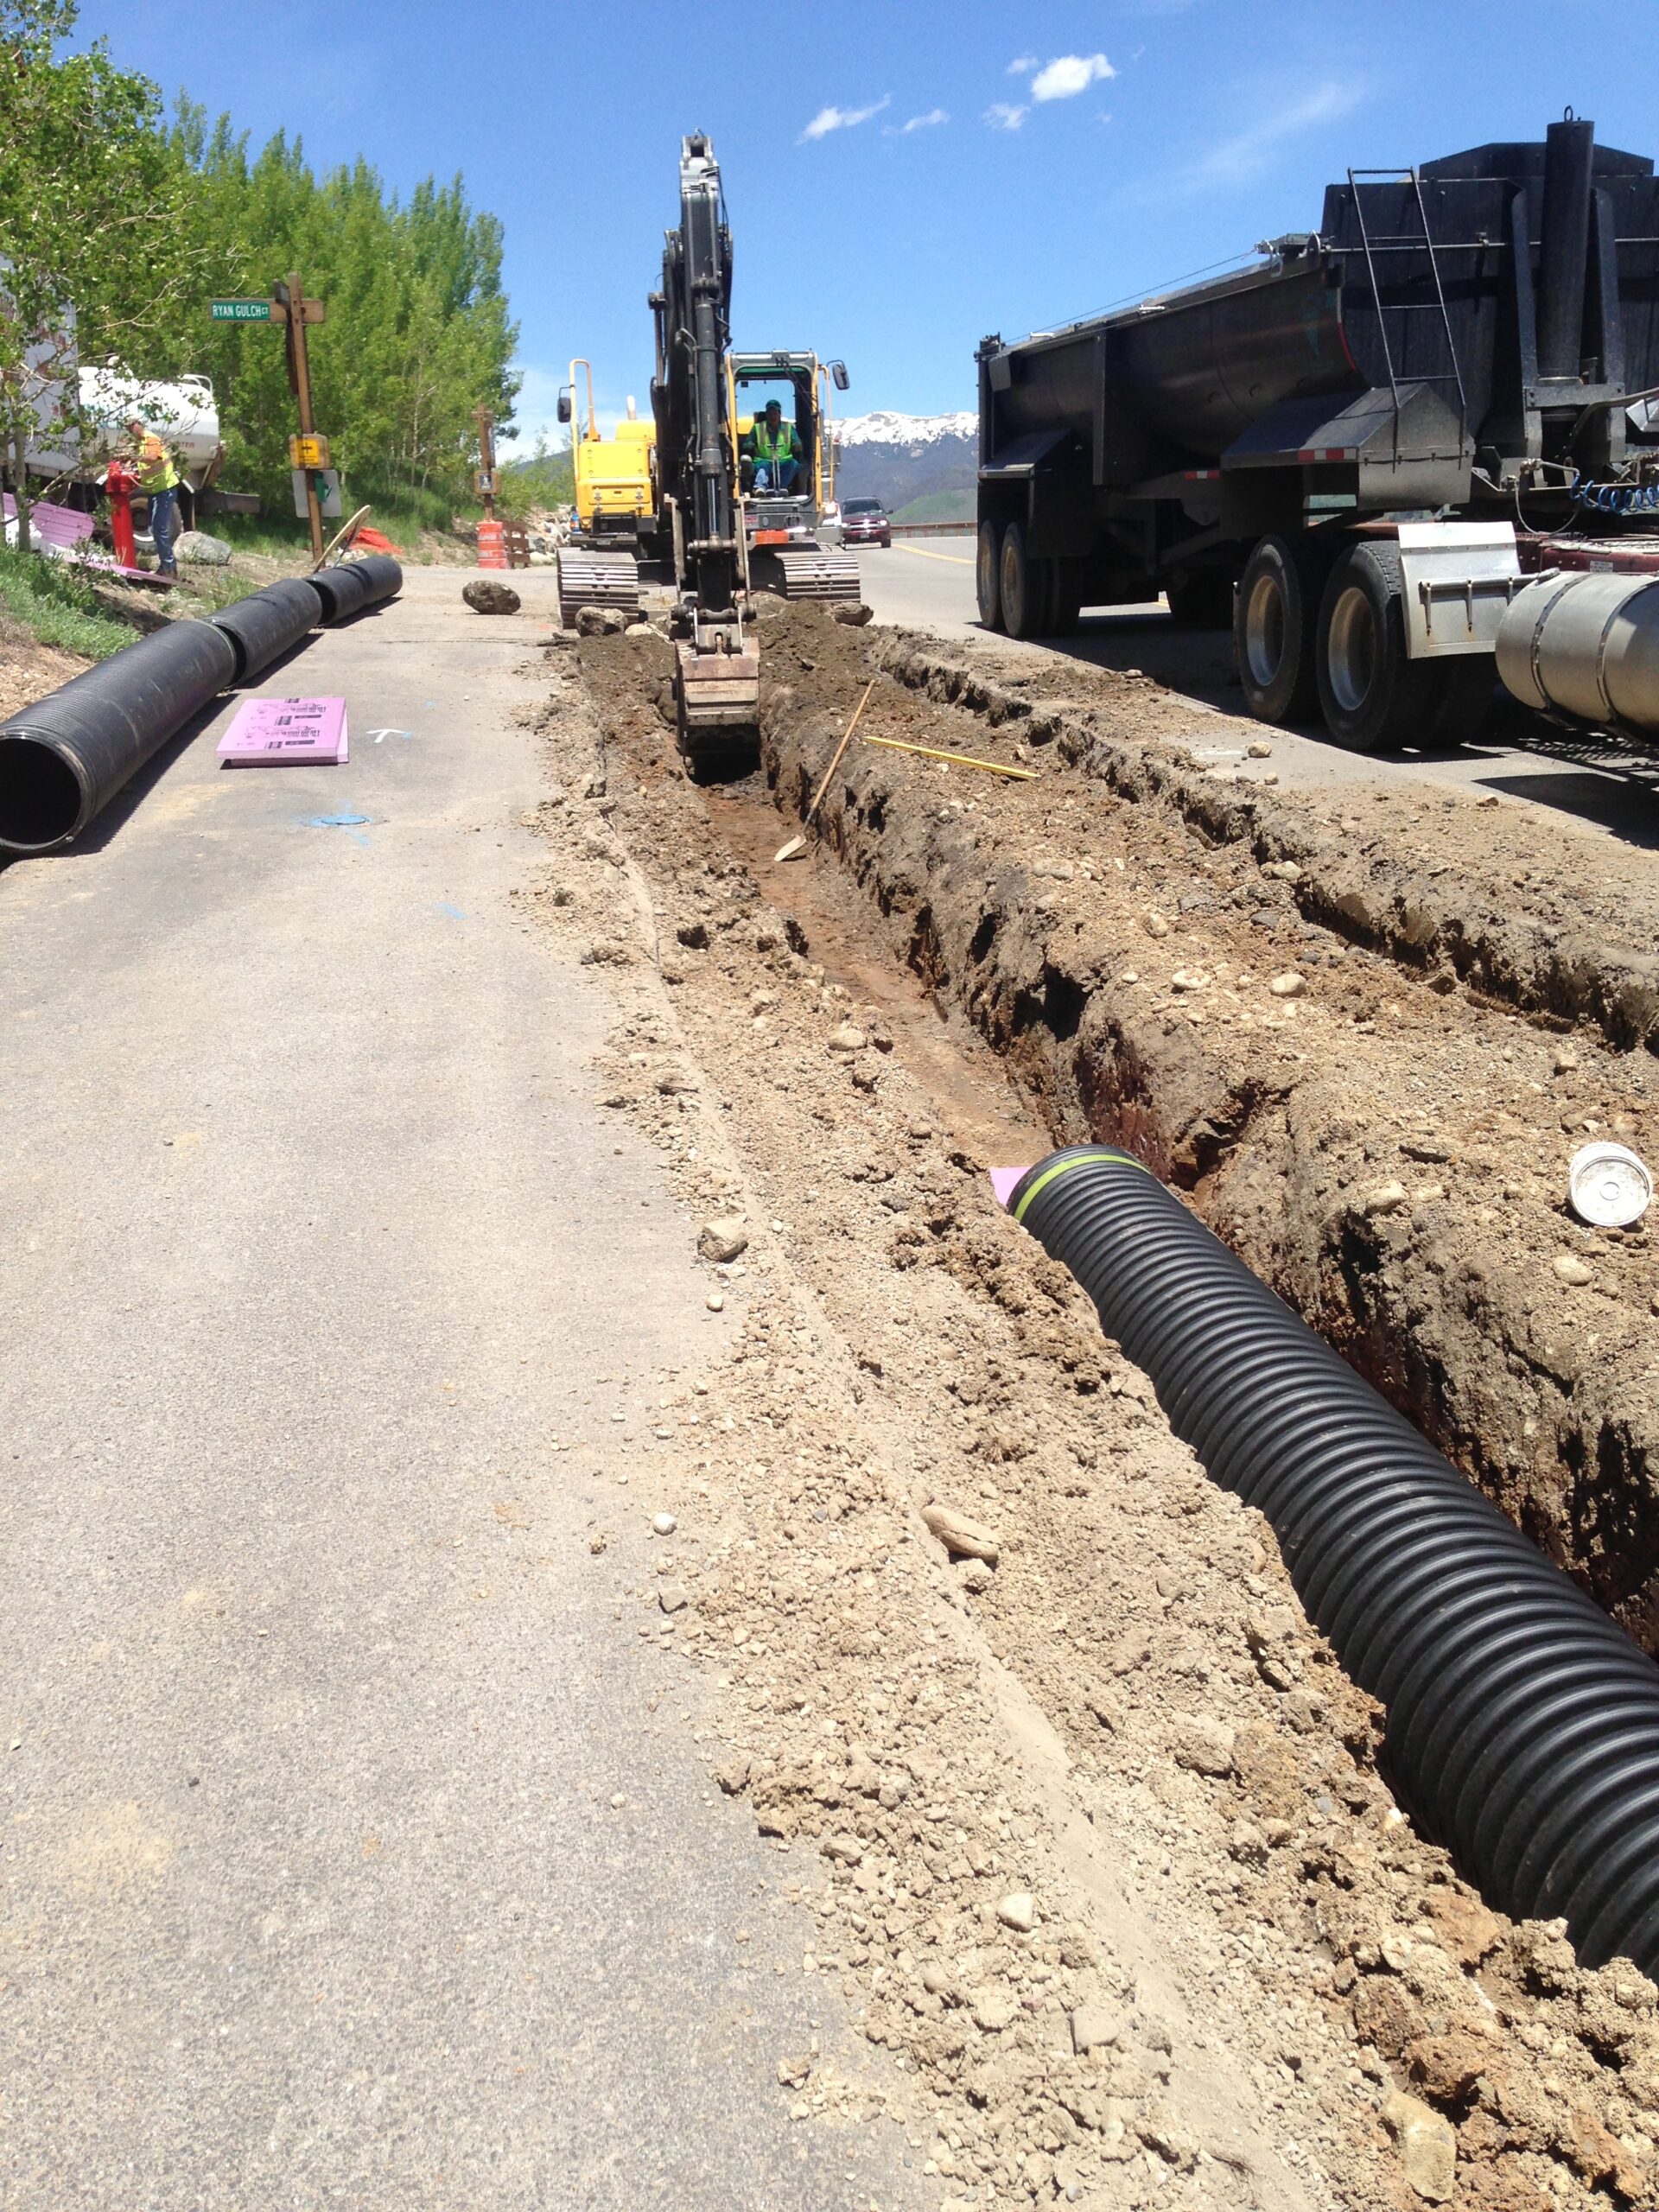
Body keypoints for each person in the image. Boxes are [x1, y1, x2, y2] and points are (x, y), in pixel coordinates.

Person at [128, 418, 181, 577]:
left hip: (165, 490)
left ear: (139, 424)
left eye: (132, 426)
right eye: (128, 427)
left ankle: (169, 568)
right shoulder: (139, 444)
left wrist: (134, 457)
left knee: (159, 529)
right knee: (154, 529)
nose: (130, 430)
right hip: (155, 491)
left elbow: (152, 458)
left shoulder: (150, 439)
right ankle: (166, 567)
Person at [746, 398, 803, 493]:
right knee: (764, 465)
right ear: (766, 415)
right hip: (763, 460)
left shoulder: (788, 428)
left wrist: (797, 446)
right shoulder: (758, 428)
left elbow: (797, 443)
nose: (772, 416)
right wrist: (749, 445)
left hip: (783, 461)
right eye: (770, 413)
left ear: (779, 414)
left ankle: (781, 489)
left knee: (793, 464)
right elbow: (747, 444)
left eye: (774, 413)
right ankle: (760, 488)